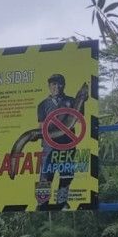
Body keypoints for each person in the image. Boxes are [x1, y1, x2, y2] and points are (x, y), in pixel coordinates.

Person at [36, 73, 77, 207]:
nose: (56, 86)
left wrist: (82, 99)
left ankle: (62, 201)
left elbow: (79, 118)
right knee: (45, 175)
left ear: (64, 85)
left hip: (68, 144)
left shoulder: (72, 101)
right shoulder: (42, 105)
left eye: (59, 83)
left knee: (67, 174)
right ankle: (42, 202)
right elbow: (42, 126)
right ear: (49, 86)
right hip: (49, 145)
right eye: (53, 84)